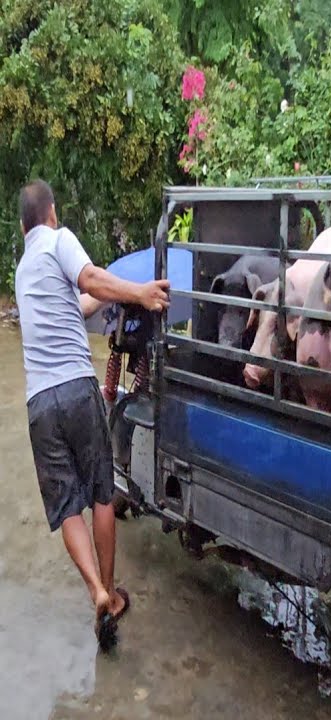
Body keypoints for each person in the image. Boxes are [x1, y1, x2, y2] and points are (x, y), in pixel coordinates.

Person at [14, 179, 170, 649]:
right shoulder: (60, 240)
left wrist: (114, 294)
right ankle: (112, 591)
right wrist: (141, 292)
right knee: (103, 493)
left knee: (67, 508)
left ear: (22, 227)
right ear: (52, 214)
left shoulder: (23, 270)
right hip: (78, 391)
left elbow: (80, 301)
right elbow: (89, 279)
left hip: (40, 405)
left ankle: (96, 592)